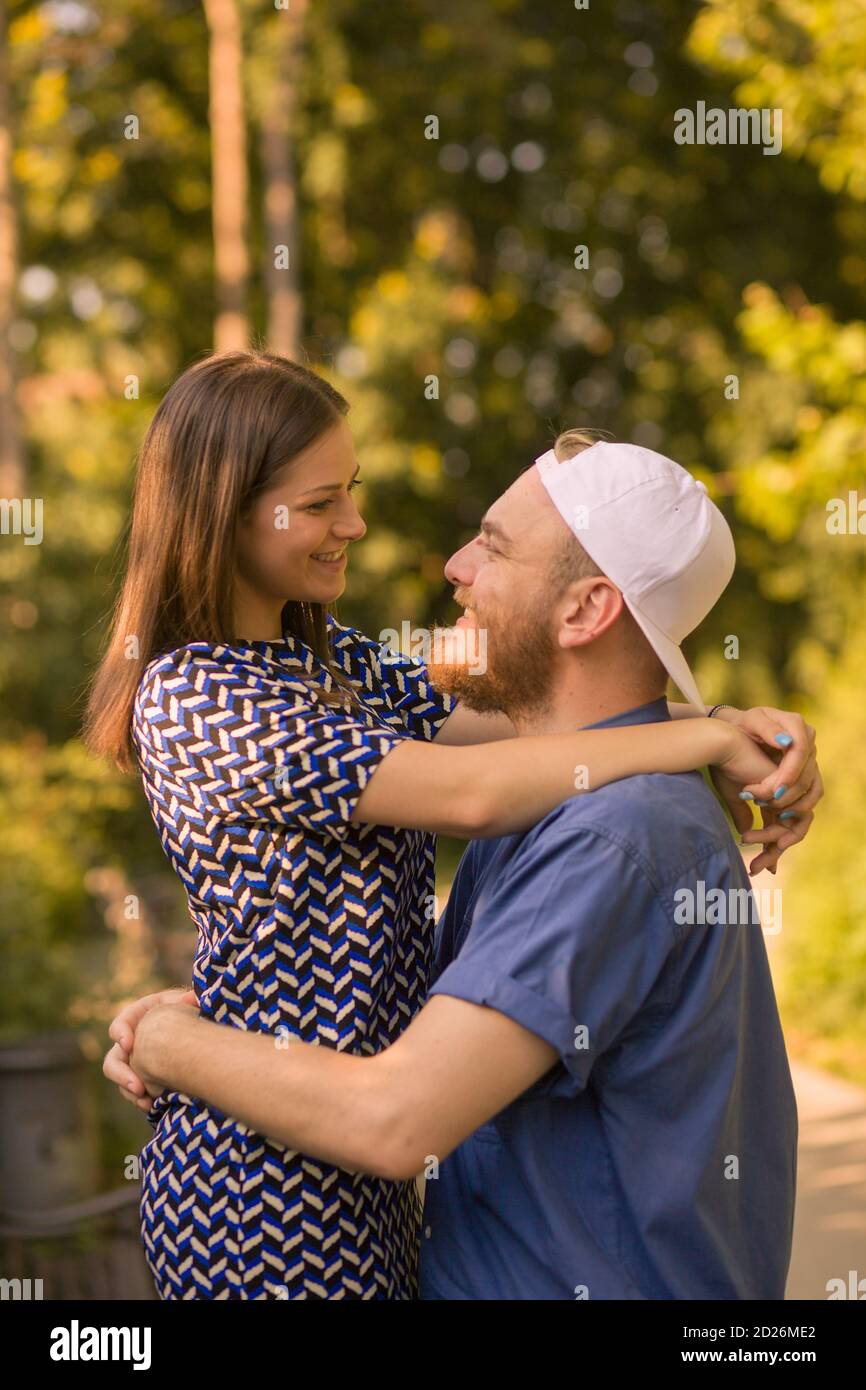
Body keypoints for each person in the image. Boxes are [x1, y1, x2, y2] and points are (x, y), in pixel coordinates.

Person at [95, 352, 818, 1299]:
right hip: (263, 1178)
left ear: (588, 607)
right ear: (226, 508)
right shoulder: (199, 693)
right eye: (320, 504)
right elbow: (475, 787)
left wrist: (716, 728)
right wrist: (699, 741)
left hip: (353, 1162)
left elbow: (511, 741)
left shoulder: (335, 664)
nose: (356, 524)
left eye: (346, 493)